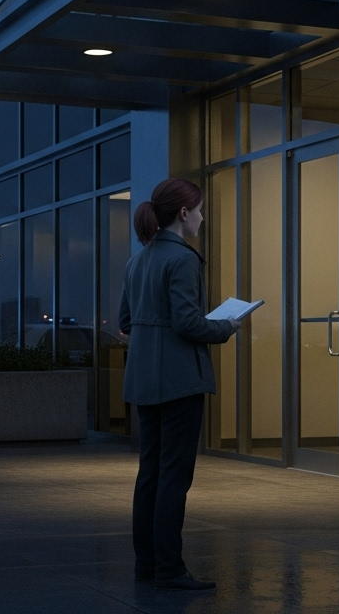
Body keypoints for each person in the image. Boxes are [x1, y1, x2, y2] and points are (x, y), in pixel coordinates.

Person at [119, 177, 239, 591]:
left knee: (149, 474)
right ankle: (169, 568)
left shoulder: (138, 260)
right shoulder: (183, 259)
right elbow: (188, 322)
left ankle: (147, 565)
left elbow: (124, 323)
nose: (202, 217)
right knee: (174, 477)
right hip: (179, 381)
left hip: (143, 380)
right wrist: (226, 325)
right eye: (200, 210)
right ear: (184, 214)